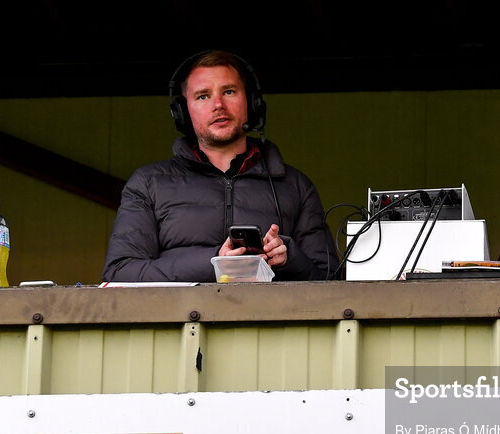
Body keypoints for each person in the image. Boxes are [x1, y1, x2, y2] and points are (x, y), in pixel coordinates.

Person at [103, 50, 338, 282]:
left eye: (229, 91)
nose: (218, 105)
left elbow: (331, 280)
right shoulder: (148, 183)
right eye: (203, 96)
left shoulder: (296, 185)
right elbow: (121, 271)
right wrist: (216, 261)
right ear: (183, 112)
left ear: (252, 103)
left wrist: (289, 257)